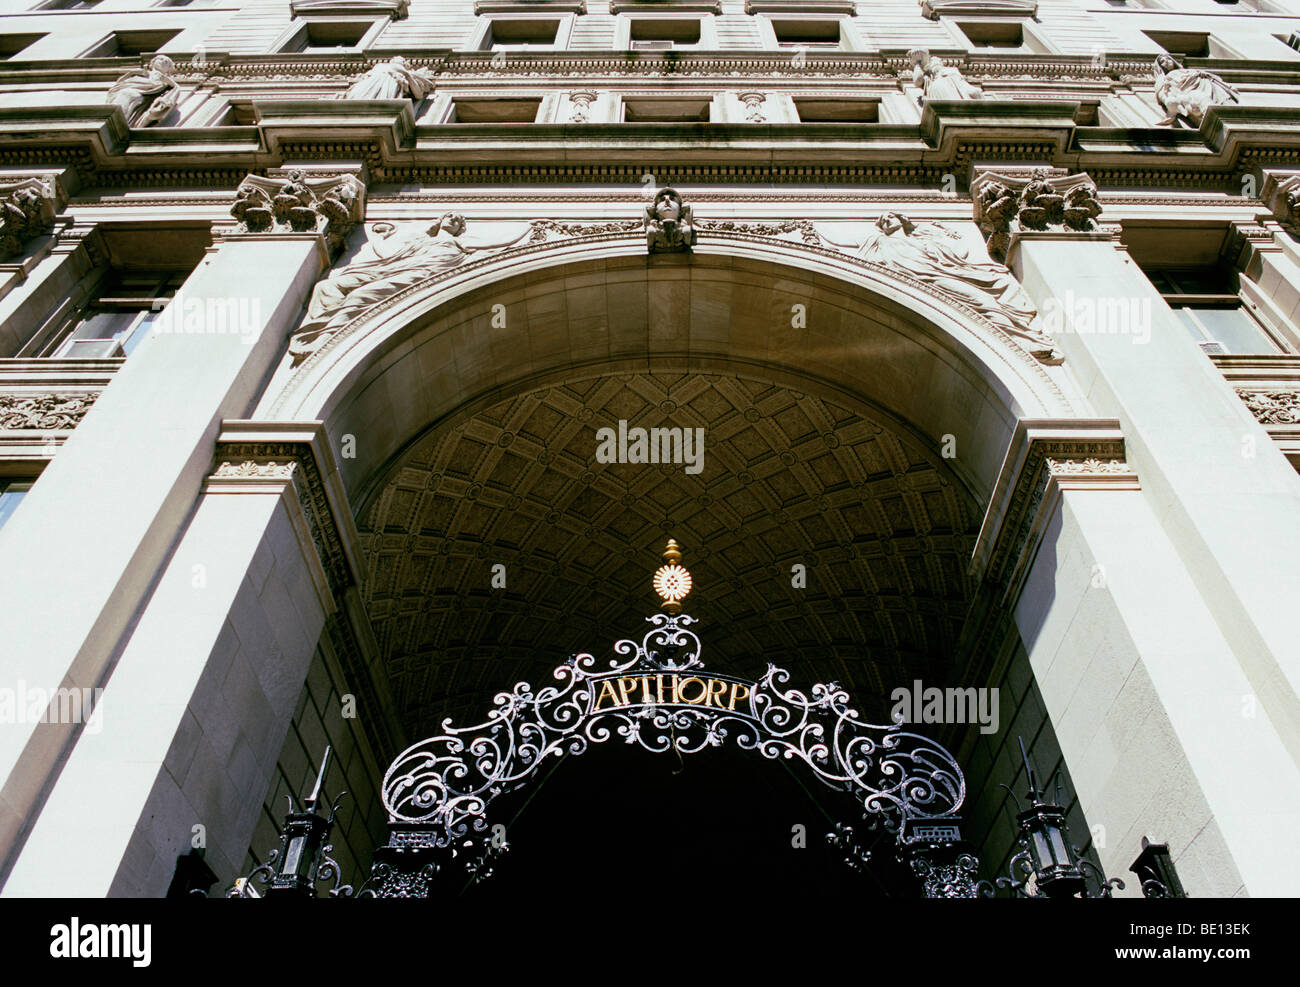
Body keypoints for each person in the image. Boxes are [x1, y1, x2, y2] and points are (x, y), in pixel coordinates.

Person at [858, 213, 1061, 363]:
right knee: (983, 302)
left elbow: (958, 256)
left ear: (902, 219)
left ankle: (1019, 341)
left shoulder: (925, 242)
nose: (887, 221)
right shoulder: (879, 242)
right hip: (921, 283)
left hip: (938, 277)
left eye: (891, 216)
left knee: (985, 300)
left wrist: (948, 233)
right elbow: (850, 251)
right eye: (883, 220)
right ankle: (1019, 342)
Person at [290, 213, 474, 363]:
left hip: (418, 275)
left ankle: (326, 340)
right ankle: (327, 330)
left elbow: (498, 243)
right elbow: (387, 254)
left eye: (458, 220)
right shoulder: (419, 241)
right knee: (326, 285)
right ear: (440, 220)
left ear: (460, 229)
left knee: (359, 296)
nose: (453, 219)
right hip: (390, 270)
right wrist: (380, 237)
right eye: (450, 216)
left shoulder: (458, 242)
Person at [1153, 54, 1239, 128]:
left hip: (1205, 88)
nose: (1166, 61)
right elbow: (1165, 96)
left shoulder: (1187, 70)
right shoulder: (1165, 79)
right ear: (1161, 67)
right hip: (1189, 94)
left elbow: (1212, 78)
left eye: (1167, 58)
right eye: (1162, 61)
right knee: (1202, 99)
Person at [107, 55, 180, 127]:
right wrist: (131, 73)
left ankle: (115, 122)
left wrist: (169, 82)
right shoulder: (142, 73)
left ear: (168, 69)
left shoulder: (165, 81)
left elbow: (175, 89)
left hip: (141, 98)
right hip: (128, 92)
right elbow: (119, 84)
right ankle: (111, 120)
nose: (162, 61)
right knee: (126, 93)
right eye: (160, 59)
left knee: (130, 95)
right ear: (153, 62)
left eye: (166, 62)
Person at [344, 56, 437, 103]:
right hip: (372, 86)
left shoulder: (408, 75)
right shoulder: (380, 67)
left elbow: (419, 95)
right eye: (402, 60)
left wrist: (407, 75)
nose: (403, 61)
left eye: (404, 61)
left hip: (388, 89)